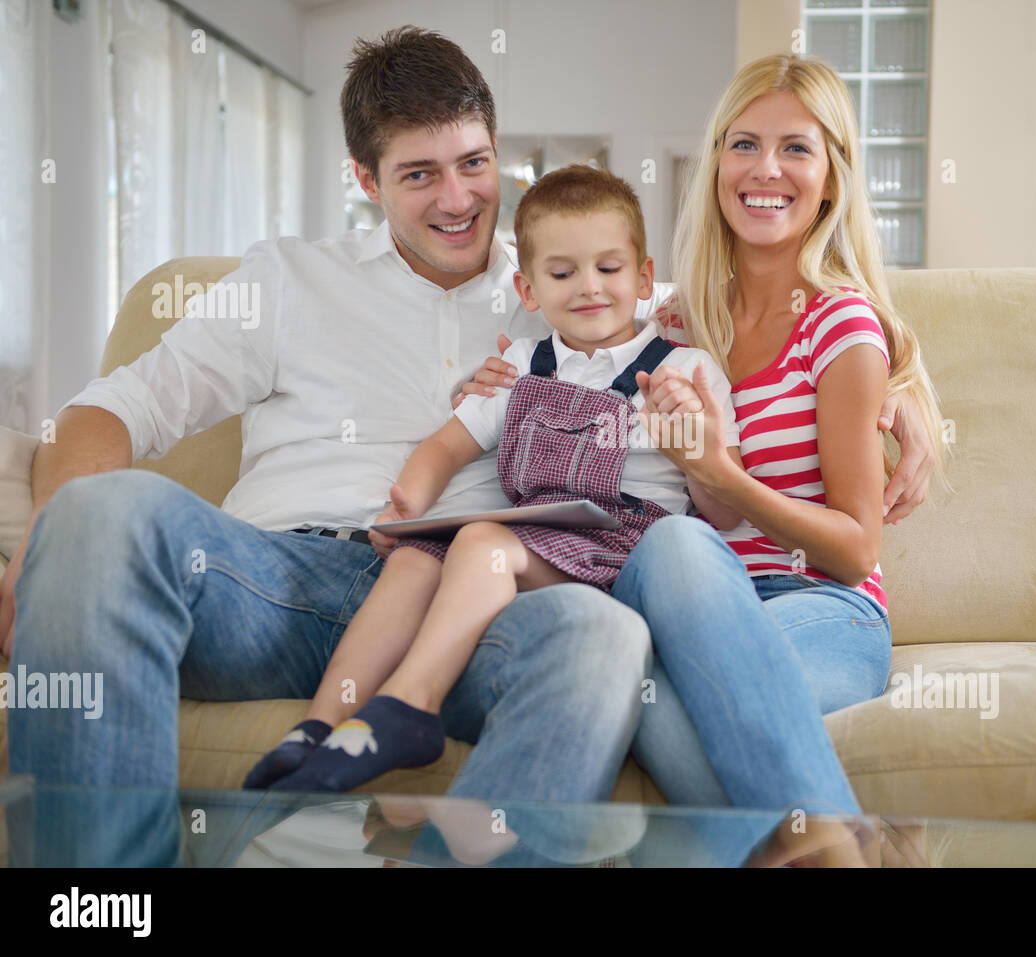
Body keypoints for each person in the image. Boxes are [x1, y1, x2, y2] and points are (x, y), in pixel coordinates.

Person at [0, 27, 937, 864]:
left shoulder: (568, 277)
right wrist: (49, 531)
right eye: (418, 174)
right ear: (366, 180)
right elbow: (110, 410)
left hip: (477, 605)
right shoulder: (285, 280)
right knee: (95, 512)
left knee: (606, 634)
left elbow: (762, 331)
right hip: (282, 581)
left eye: (475, 164)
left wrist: (907, 390)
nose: (458, 200)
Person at [462, 53, 948, 866]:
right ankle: (844, 841)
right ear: (718, 161)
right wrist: (502, 375)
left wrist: (726, 478)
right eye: (745, 144)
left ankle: (830, 844)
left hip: (818, 605)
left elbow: (856, 547)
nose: (766, 169)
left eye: (797, 148)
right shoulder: (677, 318)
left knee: (673, 603)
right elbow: (577, 307)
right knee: (652, 605)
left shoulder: (840, 327)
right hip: (682, 604)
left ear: (832, 177)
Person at [245, 165, 741, 794]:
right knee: (417, 557)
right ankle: (318, 727)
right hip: (533, 539)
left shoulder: (685, 370)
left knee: (479, 541)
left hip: (627, 549)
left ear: (644, 277)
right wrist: (407, 504)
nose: (589, 288)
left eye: (609, 270)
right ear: (528, 290)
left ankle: (408, 706)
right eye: (562, 274)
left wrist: (695, 442)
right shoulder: (518, 367)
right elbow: (446, 447)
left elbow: (724, 516)